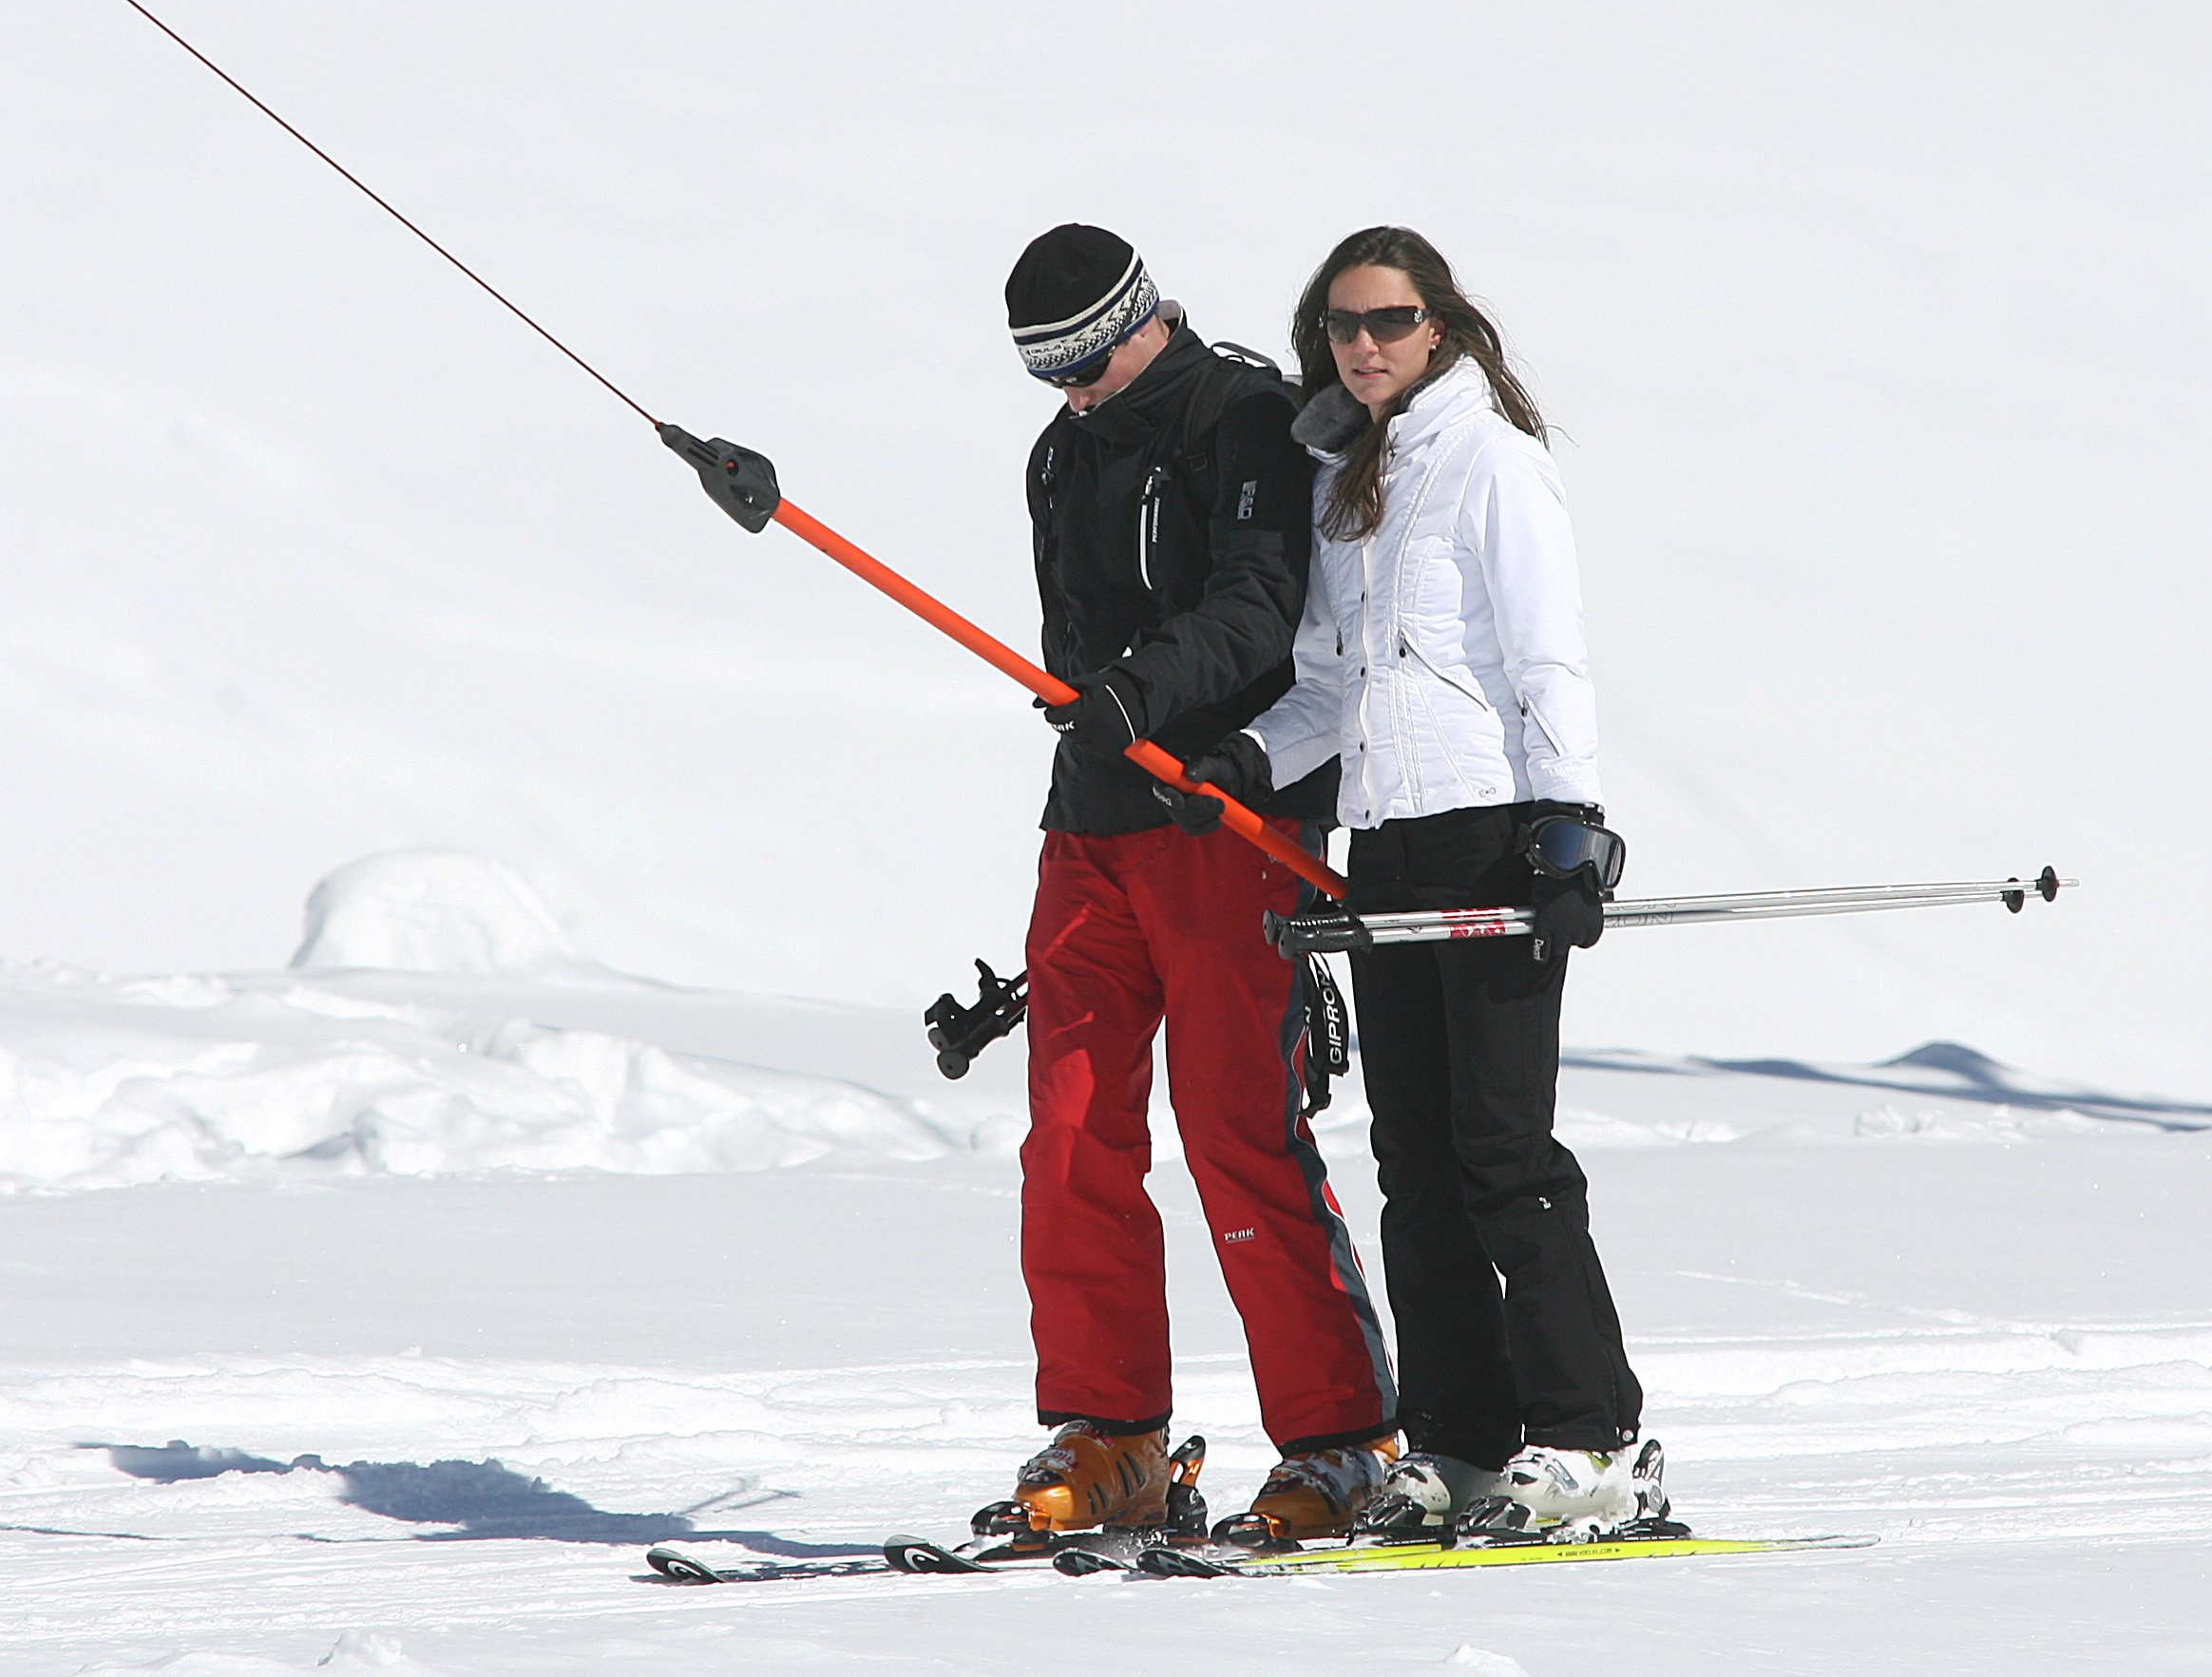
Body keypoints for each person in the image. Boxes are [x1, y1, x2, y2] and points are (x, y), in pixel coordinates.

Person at [1162, 225, 1663, 1538]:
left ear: (1438, 323)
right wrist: (1240, 763)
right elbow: (1330, 683)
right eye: (1342, 326)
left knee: (1503, 1151)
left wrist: (1570, 825)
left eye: (1388, 320)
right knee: (1415, 1160)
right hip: (1383, 845)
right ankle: (1461, 1441)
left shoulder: (1494, 462)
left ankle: (1594, 1435)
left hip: (1493, 834)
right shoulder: (1346, 479)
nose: (1365, 345)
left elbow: (1550, 658)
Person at [996, 223, 1398, 1544]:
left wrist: (1139, 695)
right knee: (1068, 1134)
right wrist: (1096, 717)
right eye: (1049, 374)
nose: (1074, 394)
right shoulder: (1059, 455)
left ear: (1139, 322)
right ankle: (1114, 1431)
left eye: (1088, 363)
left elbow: (1263, 608)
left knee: (1235, 1128)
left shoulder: (1251, 424)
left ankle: (1340, 1437)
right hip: (1092, 834)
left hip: (1230, 817)